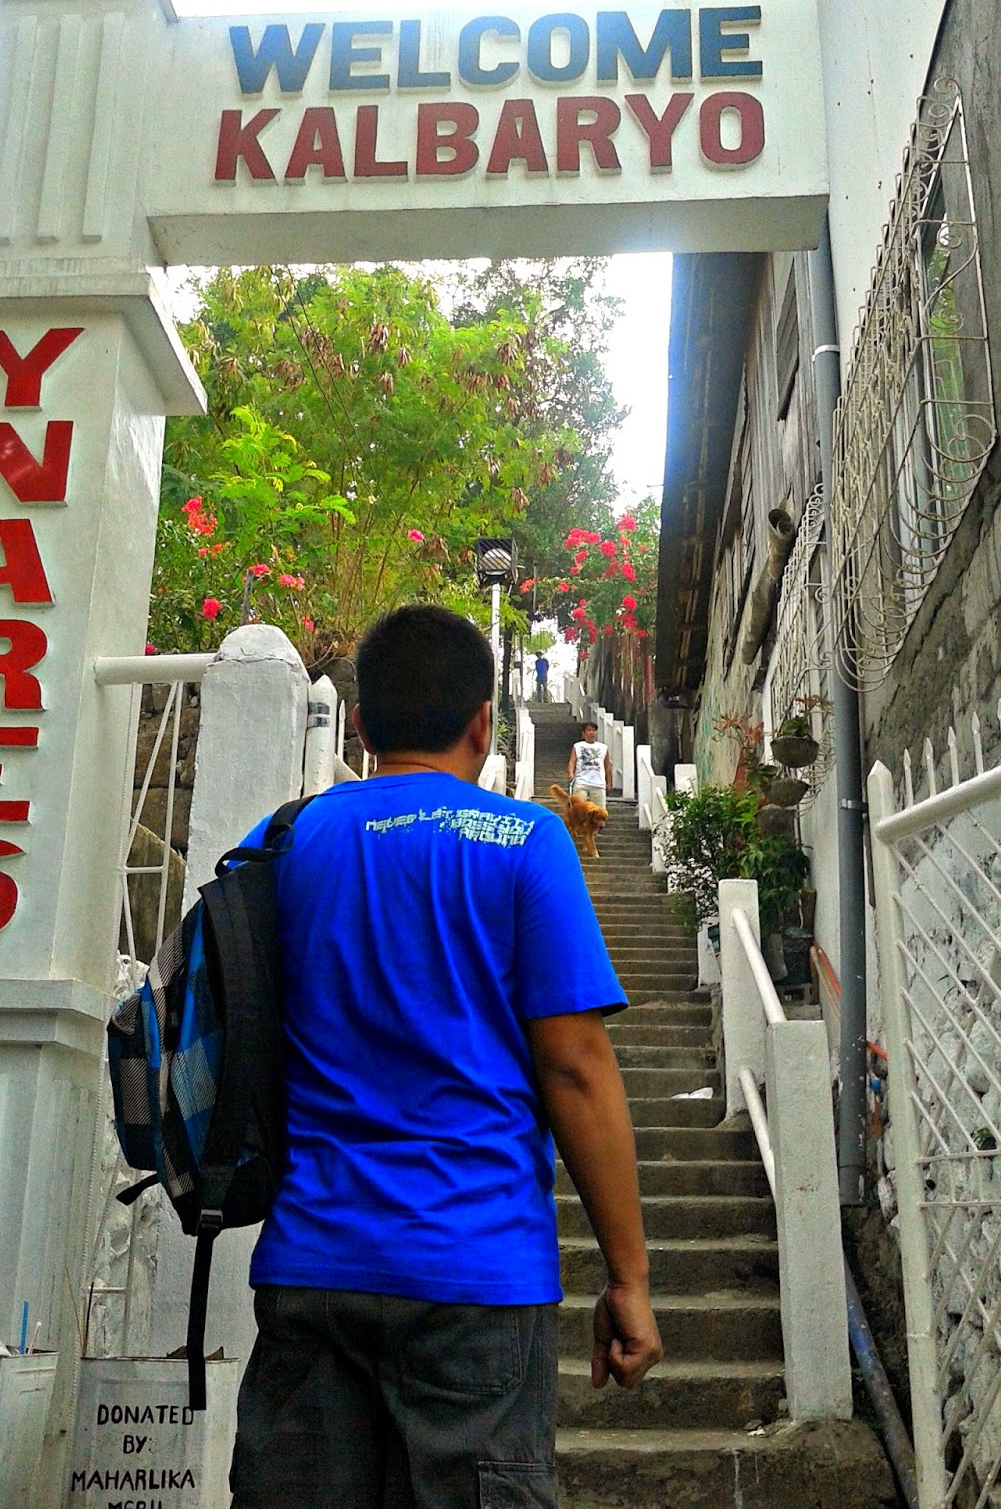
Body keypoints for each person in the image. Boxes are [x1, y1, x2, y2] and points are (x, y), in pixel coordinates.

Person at [229, 605, 661, 1509]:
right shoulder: (527, 842)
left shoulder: (282, 845)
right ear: (481, 722)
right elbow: (577, 1067)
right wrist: (627, 1278)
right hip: (478, 1275)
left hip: (314, 1265)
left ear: (358, 725)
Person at [568, 721, 612, 810]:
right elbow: (572, 761)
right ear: (584, 733)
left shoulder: (603, 747)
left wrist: (609, 783)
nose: (591, 732)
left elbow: (607, 766)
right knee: (579, 810)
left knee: (599, 812)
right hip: (581, 782)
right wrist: (570, 773)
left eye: (594, 730)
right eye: (589, 730)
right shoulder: (577, 746)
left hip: (598, 784)